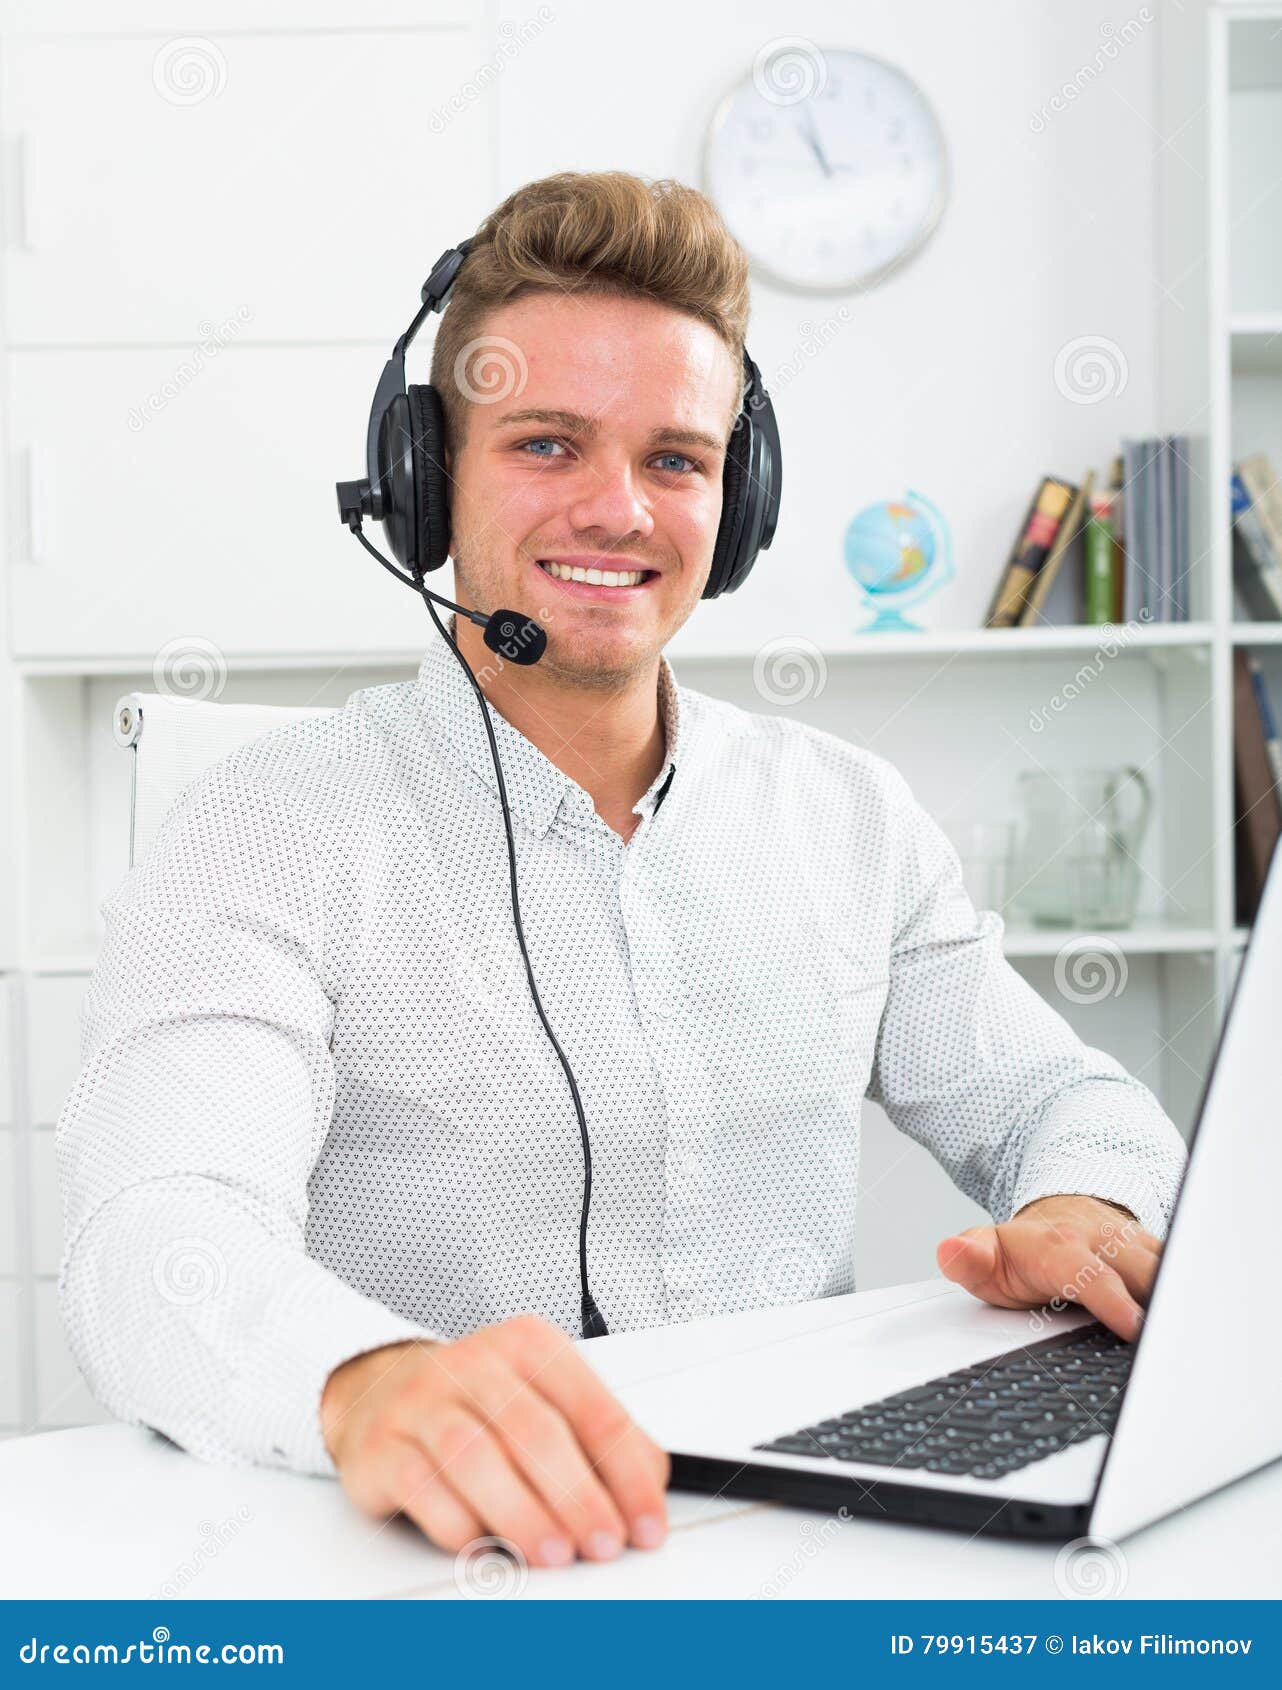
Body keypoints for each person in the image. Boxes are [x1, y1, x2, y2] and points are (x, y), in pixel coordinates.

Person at [55, 171, 1187, 1574]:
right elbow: (155, 1233)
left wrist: (1085, 1198)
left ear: (737, 501)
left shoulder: (846, 816)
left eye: (674, 458)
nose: (618, 511)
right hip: (437, 1556)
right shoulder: (266, 828)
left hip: (795, 1542)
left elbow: (1061, 1098)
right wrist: (362, 1376)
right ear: (422, 480)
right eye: (545, 443)